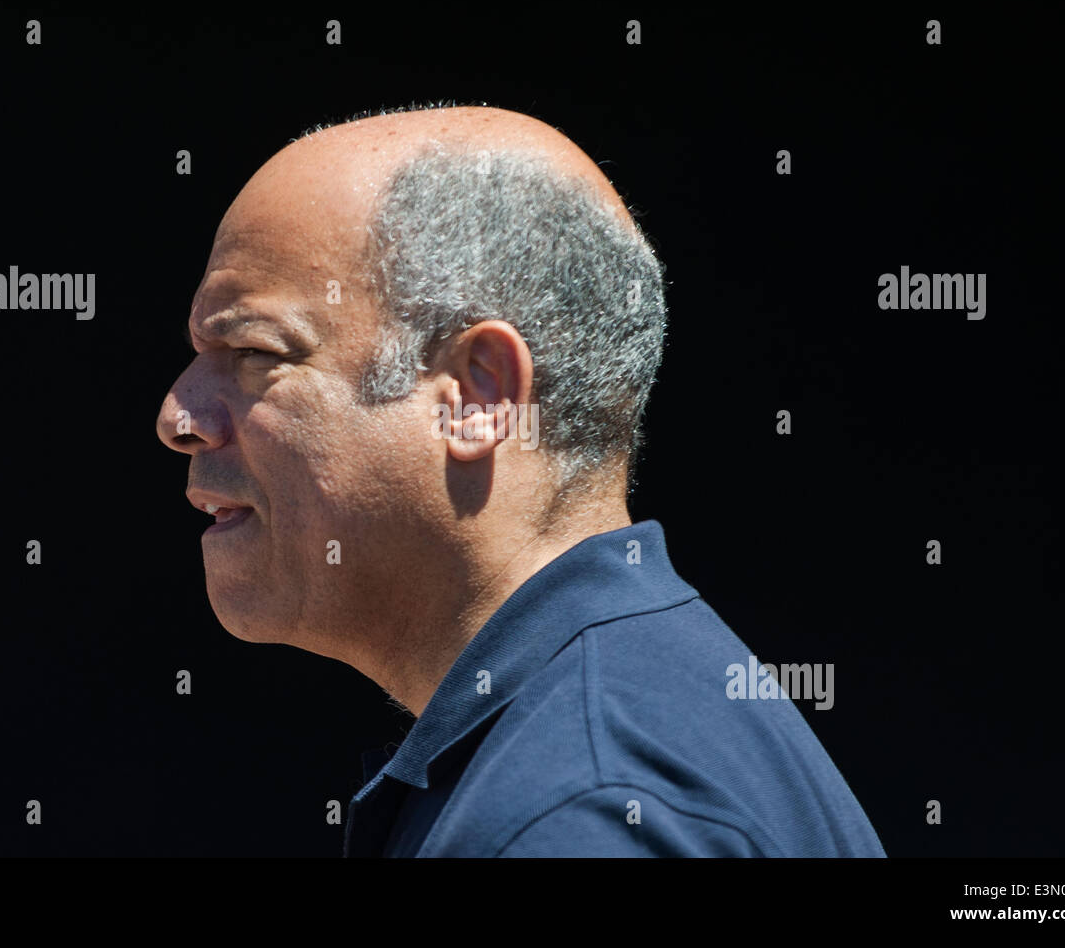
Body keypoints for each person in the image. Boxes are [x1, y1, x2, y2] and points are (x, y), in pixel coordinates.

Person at [155, 102, 886, 857]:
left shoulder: (578, 813)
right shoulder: (623, 720)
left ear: (477, 397)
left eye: (252, 351)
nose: (178, 415)